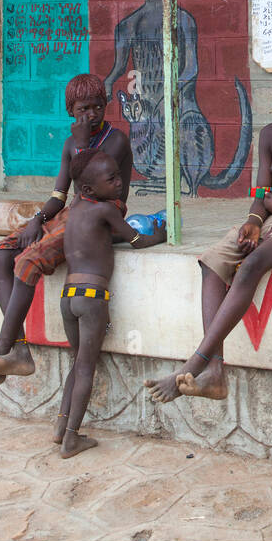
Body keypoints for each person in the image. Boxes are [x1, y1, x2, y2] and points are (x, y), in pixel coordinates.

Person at [144, 60, 272, 403]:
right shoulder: (270, 135)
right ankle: (215, 372)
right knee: (213, 261)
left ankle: (193, 365)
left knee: (254, 263)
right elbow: (260, 194)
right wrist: (254, 222)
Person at [0, 73, 133, 399]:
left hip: (96, 219)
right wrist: (37, 220)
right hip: (69, 214)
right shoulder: (70, 144)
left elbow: (89, 176)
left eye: (96, 107)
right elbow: (60, 195)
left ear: (105, 106)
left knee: (27, 263)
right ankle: (20, 350)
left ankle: (0, 354)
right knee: (0, 254)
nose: (89, 115)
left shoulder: (115, 141)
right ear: (70, 110)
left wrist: (81, 141)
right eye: (82, 109)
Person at [53, 149, 165, 458]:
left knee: (77, 364)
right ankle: (72, 438)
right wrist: (159, 235)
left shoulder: (76, 208)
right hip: (92, 299)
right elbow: (136, 239)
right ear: (90, 189)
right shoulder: (105, 211)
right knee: (87, 368)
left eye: (118, 175)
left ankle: (61, 427)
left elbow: (101, 239)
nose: (119, 183)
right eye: (111, 179)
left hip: (68, 298)